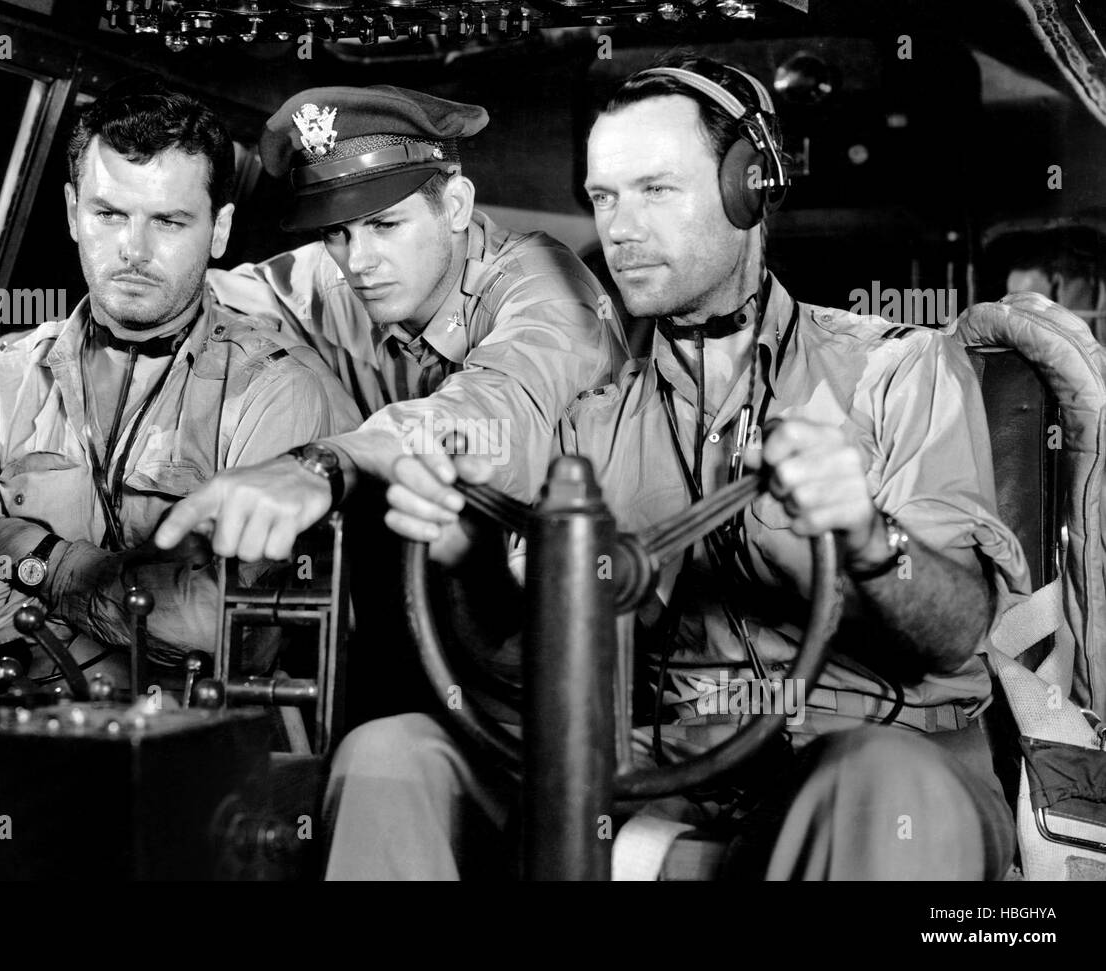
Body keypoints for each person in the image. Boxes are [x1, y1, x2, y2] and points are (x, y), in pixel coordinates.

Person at [325, 56, 1029, 880]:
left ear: (748, 190)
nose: (620, 229)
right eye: (604, 198)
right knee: (392, 752)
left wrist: (872, 540)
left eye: (655, 190)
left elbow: (958, 634)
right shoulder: (593, 418)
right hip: (667, 765)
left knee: (884, 783)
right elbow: (542, 679)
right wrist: (482, 571)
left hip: (872, 750)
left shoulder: (896, 374)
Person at [0, 78, 358, 685]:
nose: (133, 249)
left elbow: (220, 628)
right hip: (23, 710)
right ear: (73, 213)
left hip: (196, 744)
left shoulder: (281, 392)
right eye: (108, 214)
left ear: (220, 230)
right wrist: (86, 679)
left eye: (169, 222)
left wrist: (45, 563)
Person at [154, 84, 627, 561]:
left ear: (456, 206)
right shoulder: (337, 275)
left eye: (385, 225)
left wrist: (328, 464)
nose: (358, 262)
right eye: (336, 232)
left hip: (573, 583)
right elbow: (206, 298)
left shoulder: (544, 286)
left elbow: (493, 409)